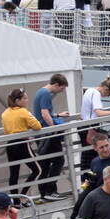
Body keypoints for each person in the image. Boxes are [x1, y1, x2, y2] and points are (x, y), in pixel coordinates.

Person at [32, 74, 70, 202]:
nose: (61, 91)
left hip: (41, 133)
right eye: (62, 88)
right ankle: (50, 190)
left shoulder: (41, 92)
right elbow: (44, 113)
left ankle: (44, 192)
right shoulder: (46, 94)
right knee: (58, 160)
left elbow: (44, 113)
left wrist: (58, 115)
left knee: (46, 163)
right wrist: (54, 128)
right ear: (56, 85)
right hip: (47, 134)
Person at [0, 89, 42, 197]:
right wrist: (26, 126)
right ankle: (23, 196)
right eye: (25, 98)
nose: (27, 100)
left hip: (10, 144)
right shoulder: (23, 111)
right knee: (37, 170)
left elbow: (6, 130)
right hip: (22, 144)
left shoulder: (5, 113)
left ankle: (16, 201)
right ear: (18, 100)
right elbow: (37, 126)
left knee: (14, 174)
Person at [79, 79, 110, 173]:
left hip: (84, 124)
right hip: (89, 126)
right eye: (109, 93)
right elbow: (98, 112)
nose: (108, 96)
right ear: (106, 88)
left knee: (90, 153)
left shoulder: (89, 90)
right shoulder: (96, 94)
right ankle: (91, 176)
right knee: (91, 154)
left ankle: (89, 177)